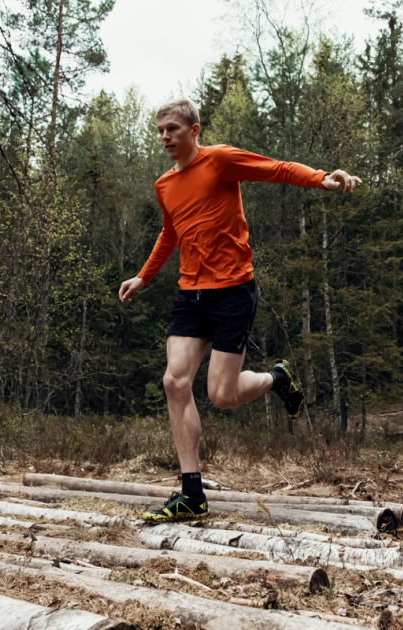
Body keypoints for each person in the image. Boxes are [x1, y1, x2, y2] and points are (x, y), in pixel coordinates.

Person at [118, 98, 362, 522]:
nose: (165, 137)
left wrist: (323, 178)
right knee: (175, 382)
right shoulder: (164, 185)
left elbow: (278, 169)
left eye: (172, 129)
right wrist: (145, 276)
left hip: (233, 291)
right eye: (160, 131)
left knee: (222, 396)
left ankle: (276, 378)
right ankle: (190, 493)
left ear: (194, 130)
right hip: (191, 294)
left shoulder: (221, 160)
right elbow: (170, 233)